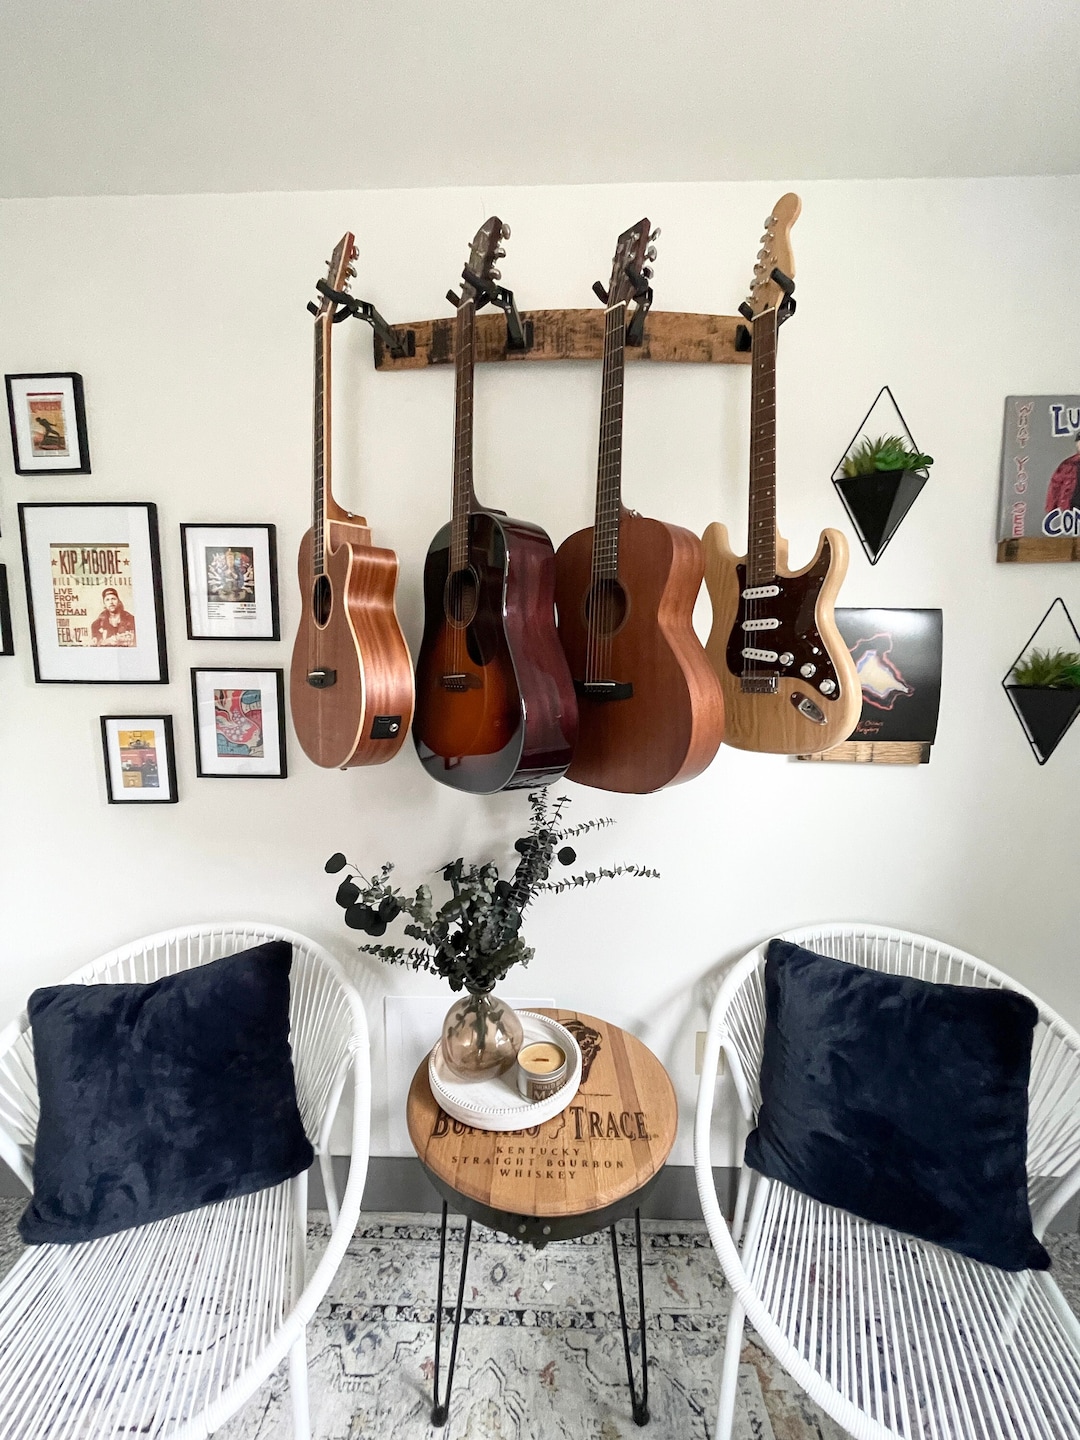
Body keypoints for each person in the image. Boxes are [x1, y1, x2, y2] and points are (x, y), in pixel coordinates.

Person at [1045, 432, 1080, 515]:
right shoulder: (1068, 464)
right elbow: (1055, 487)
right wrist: (1051, 510)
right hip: (1070, 511)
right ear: (1077, 444)